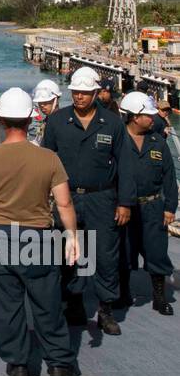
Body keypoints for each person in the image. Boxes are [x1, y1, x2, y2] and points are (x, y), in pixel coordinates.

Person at [0, 88, 79, 376]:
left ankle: (18, 367)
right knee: (48, 303)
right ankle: (58, 366)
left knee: (7, 305)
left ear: (2, 121)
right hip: (40, 238)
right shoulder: (49, 159)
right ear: (31, 120)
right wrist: (71, 236)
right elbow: (64, 203)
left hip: (0, 238)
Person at [42, 65, 133, 334]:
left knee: (105, 253)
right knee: (70, 252)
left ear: (95, 93)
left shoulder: (113, 123)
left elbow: (125, 164)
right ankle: (75, 303)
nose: (80, 97)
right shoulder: (57, 121)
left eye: (85, 92)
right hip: (67, 199)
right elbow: (46, 161)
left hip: (102, 198)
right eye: (76, 92)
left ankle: (106, 308)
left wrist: (125, 202)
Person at [116, 92, 177, 316]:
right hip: (125, 207)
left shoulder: (158, 142)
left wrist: (170, 207)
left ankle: (159, 297)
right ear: (134, 117)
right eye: (148, 115)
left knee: (156, 252)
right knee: (124, 251)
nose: (153, 119)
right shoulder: (117, 140)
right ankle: (122, 294)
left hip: (153, 207)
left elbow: (169, 177)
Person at [30, 79, 61, 143]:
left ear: (56, 100)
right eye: (40, 102)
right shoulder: (47, 120)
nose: (42, 106)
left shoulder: (61, 123)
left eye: (46, 102)